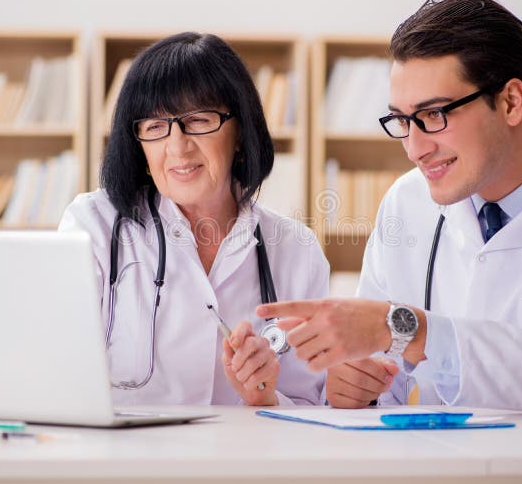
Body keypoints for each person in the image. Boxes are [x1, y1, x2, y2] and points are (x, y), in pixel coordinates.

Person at [257, 0, 522, 414]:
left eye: (434, 115)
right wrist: (358, 384)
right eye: (401, 121)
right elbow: (382, 370)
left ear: (512, 101)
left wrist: (409, 329)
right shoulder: (406, 201)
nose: (414, 148)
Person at [59, 32, 328, 406]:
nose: (177, 146)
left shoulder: (296, 251)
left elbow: (311, 408)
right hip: (123, 461)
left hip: (244, 460)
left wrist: (265, 397)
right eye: (155, 127)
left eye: (199, 120)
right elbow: (55, 374)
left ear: (240, 132)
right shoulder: (94, 226)